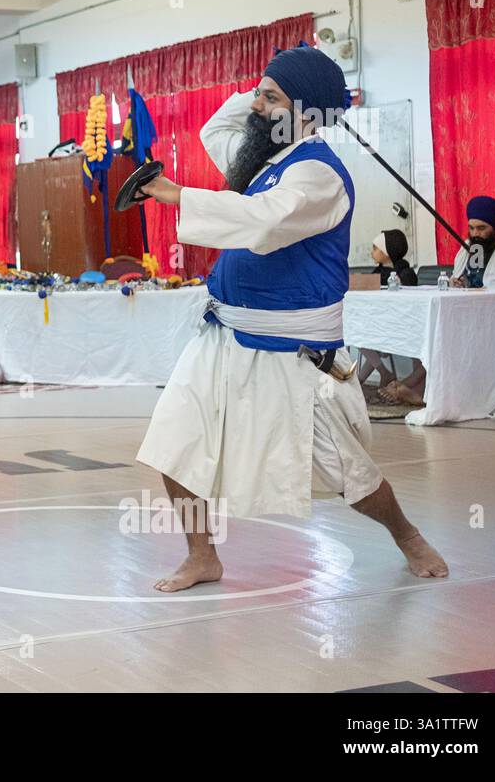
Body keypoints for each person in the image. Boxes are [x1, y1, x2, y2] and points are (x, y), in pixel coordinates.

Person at [134, 45, 447, 591]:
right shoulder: (266, 161)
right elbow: (216, 129)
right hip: (224, 337)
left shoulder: (317, 178)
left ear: (306, 113)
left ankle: (407, 535)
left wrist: (179, 193)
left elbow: (260, 223)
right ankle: (202, 554)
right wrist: (266, 91)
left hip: (294, 353)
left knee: (346, 472)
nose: (256, 104)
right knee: (174, 440)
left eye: (271, 97)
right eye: (257, 93)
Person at [357, 229, 423, 403]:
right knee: (356, 331)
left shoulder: (406, 273)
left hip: (403, 323)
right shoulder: (376, 273)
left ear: (387, 251)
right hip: (381, 322)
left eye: (375, 248)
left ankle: (370, 378)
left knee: (369, 335)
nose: (372, 252)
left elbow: (409, 299)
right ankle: (377, 375)